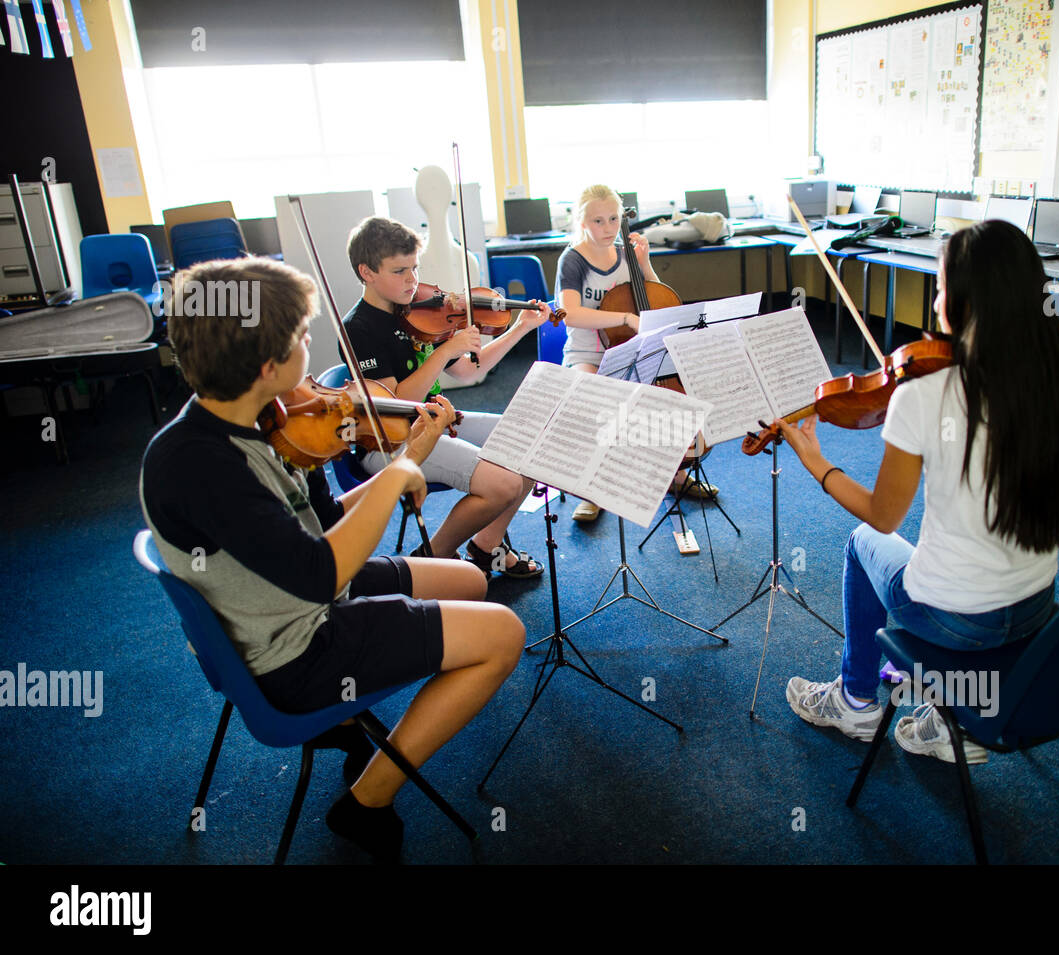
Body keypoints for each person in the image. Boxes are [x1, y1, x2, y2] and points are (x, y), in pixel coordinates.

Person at [140, 257, 524, 862]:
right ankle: (366, 802)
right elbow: (321, 570)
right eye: (301, 338)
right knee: (504, 634)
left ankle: (348, 719)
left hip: (291, 595)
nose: (314, 356)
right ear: (267, 366)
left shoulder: (262, 421)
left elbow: (320, 525)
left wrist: (414, 451)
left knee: (470, 580)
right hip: (292, 648)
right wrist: (397, 473)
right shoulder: (199, 464)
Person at [778, 219, 1059, 763]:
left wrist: (818, 463)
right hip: (1035, 609)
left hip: (952, 621)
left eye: (939, 286)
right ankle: (949, 722)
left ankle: (856, 700)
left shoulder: (926, 396)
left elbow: (885, 516)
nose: (936, 299)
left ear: (958, 301)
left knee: (864, 541)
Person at [343, 216, 549, 578]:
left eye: (415, 268)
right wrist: (442, 352)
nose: (412, 280)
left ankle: (488, 545)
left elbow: (472, 369)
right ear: (367, 272)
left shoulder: (418, 311)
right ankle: (431, 559)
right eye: (399, 271)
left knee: (531, 442)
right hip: (392, 440)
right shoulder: (359, 328)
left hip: (439, 420)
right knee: (504, 483)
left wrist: (521, 328)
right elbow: (397, 403)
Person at [555, 184, 717, 521]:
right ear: (583, 222)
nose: (609, 228)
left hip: (633, 350)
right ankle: (592, 490)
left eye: (614, 219)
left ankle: (677, 477)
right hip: (588, 353)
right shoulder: (572, 260)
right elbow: (569, 313)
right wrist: (625, 318)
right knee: (595, 401)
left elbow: (657, 298)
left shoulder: (625, 252)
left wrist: (644, 263)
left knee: (667, 401)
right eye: (598, 221)